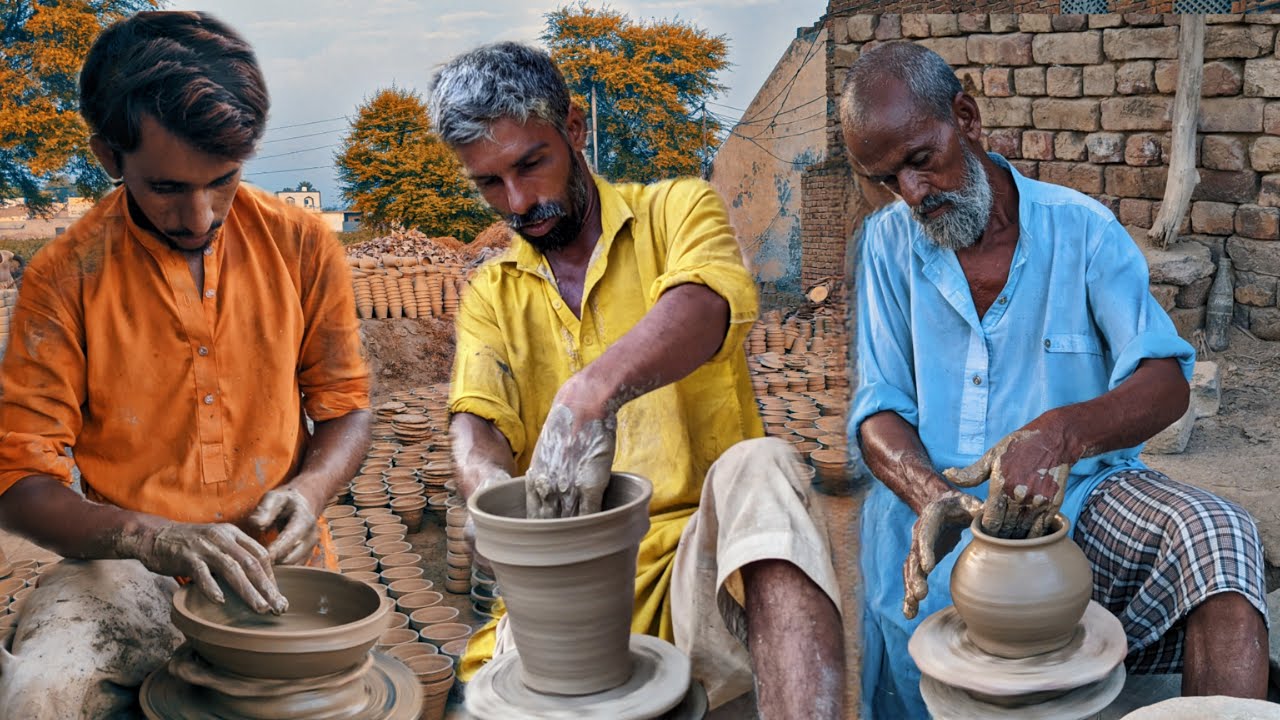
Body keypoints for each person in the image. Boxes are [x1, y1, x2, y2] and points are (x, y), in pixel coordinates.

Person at [842, 41, 1269, 718]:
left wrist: (1061, 433)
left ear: (968, 117)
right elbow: (878, 410)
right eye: (886, 179)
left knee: (1218, 535)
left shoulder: (1084, 231)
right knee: (935, 677)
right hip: (934, 519)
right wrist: (931, 497)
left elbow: (1165, 378)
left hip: (1082, 500)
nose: (912, 194)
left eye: (921, 161)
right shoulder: (887, 247)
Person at [429, 42, 845, 718]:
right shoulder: (492, 294)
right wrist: (485, 492)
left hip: (697, 570)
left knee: (765, 467)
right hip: (566, 596)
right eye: (489, 183)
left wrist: (590, 394)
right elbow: (476, 421)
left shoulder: (677, 212)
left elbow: (704, 304)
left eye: (530, 165)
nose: (517, 201)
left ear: (574, 127)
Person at [0, 12, 371, 717]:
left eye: (223, 180)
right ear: (110, 155)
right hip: (128, 570)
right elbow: (20, 482)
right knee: (39, 694)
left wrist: (313, 490)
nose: (199, 217)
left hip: (276, 564)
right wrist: (149, 535)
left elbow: (344, 406)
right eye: (168, 187)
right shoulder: (62, 278)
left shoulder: (300, 245)